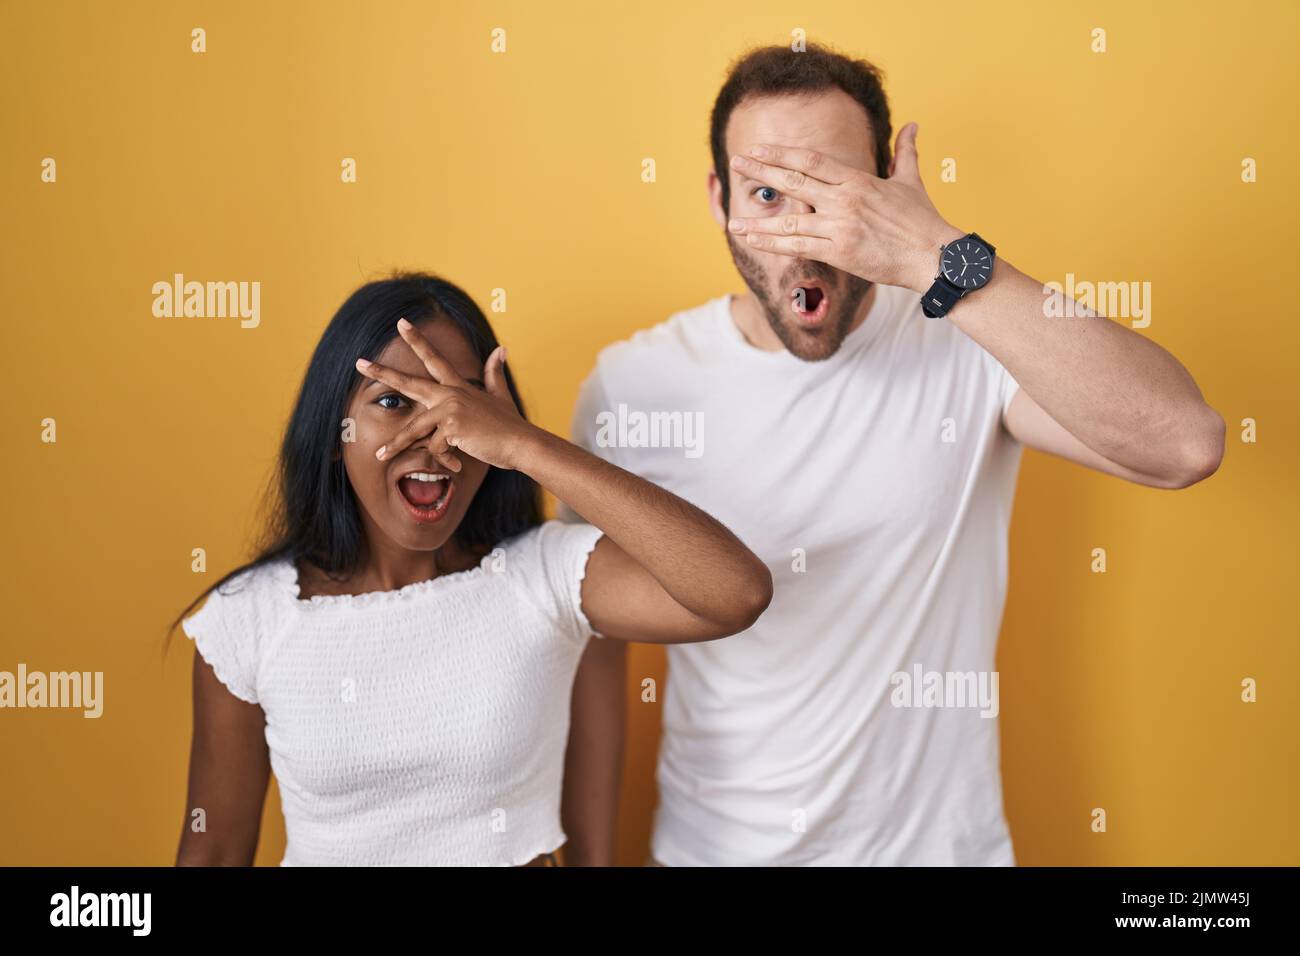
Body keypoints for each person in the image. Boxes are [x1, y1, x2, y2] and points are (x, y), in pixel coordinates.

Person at [561, 43, 1225, 866]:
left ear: (888, 193)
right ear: (718, 198)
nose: (803, 241)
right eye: (768, 196)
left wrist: (939, 257)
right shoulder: (633, 389)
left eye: (833, 198)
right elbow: (591, 645)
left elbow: (1186, 444)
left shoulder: (965, 340)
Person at [169, 271, 772, 867]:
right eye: (393, 401)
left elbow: (734, 592)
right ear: (335, 433)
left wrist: (524, 447)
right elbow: (215, 849)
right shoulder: (249, 619)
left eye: (462, 405)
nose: (437, 438)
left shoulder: (543, 575)